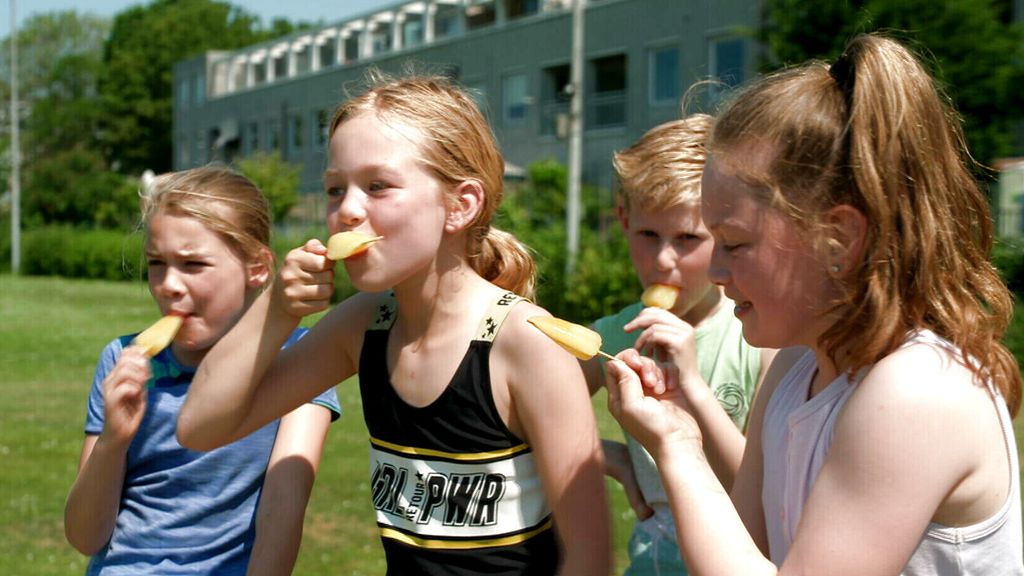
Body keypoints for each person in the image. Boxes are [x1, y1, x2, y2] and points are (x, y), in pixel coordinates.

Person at [603, 32, 1024, 575]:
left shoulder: (915, 389)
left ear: (838, 239)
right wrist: (677, 432)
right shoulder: (796, 368)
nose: (716, 271)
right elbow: (745, 552)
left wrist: (679, 449)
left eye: (734, 243)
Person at [176, 73, 612, 576]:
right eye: (335, 189)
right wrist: (275, 311)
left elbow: (590, 556)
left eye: (377, 186)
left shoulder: (527, 344)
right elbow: (201, 427)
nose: (346, 210)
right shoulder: (364, 325)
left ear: (460, 205)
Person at [64, 166, 341, 575]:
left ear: (257, 267)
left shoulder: (298, 356)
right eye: (157, 263)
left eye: (193, 264)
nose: (169, 285)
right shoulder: (123, 359)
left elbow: (284, 506)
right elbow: (85, 536)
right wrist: (112, 441)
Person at [580, 114, 775, 575]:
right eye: (649, 235)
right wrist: (609, 457)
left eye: (688, 239)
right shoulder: (612, 335)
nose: (664, 260)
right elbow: (520, 415)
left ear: (724, 235)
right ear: (624, 221)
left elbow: (761, 491)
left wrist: (692, 386)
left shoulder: (760, 336)